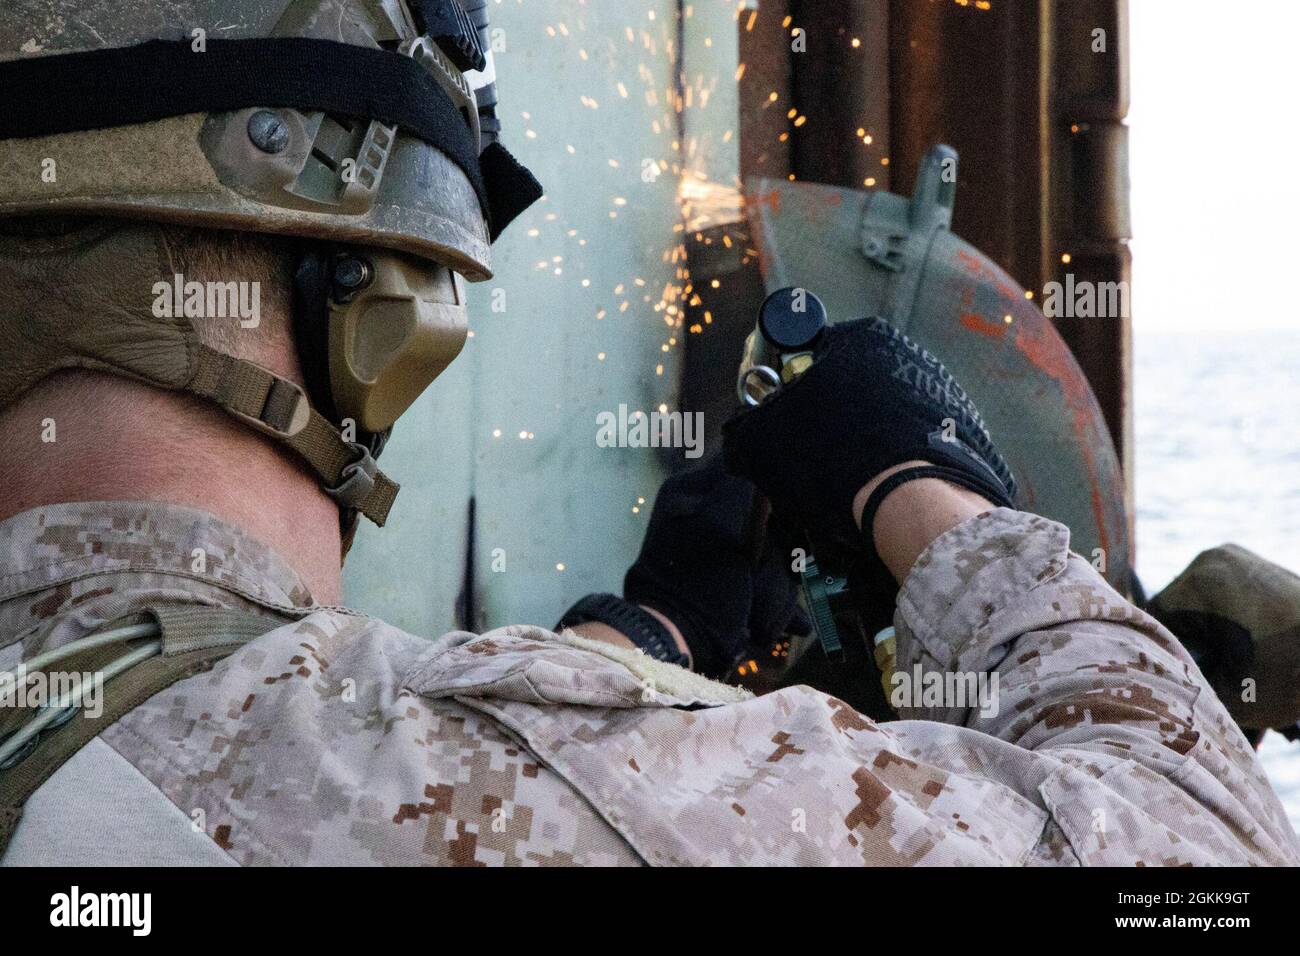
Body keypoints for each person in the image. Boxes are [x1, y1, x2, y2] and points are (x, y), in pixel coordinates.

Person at [1, 2, 1297, 867]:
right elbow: (1196, 863)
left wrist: (639, 650)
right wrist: (928, 497)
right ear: (381, 302)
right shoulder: (324, 759)